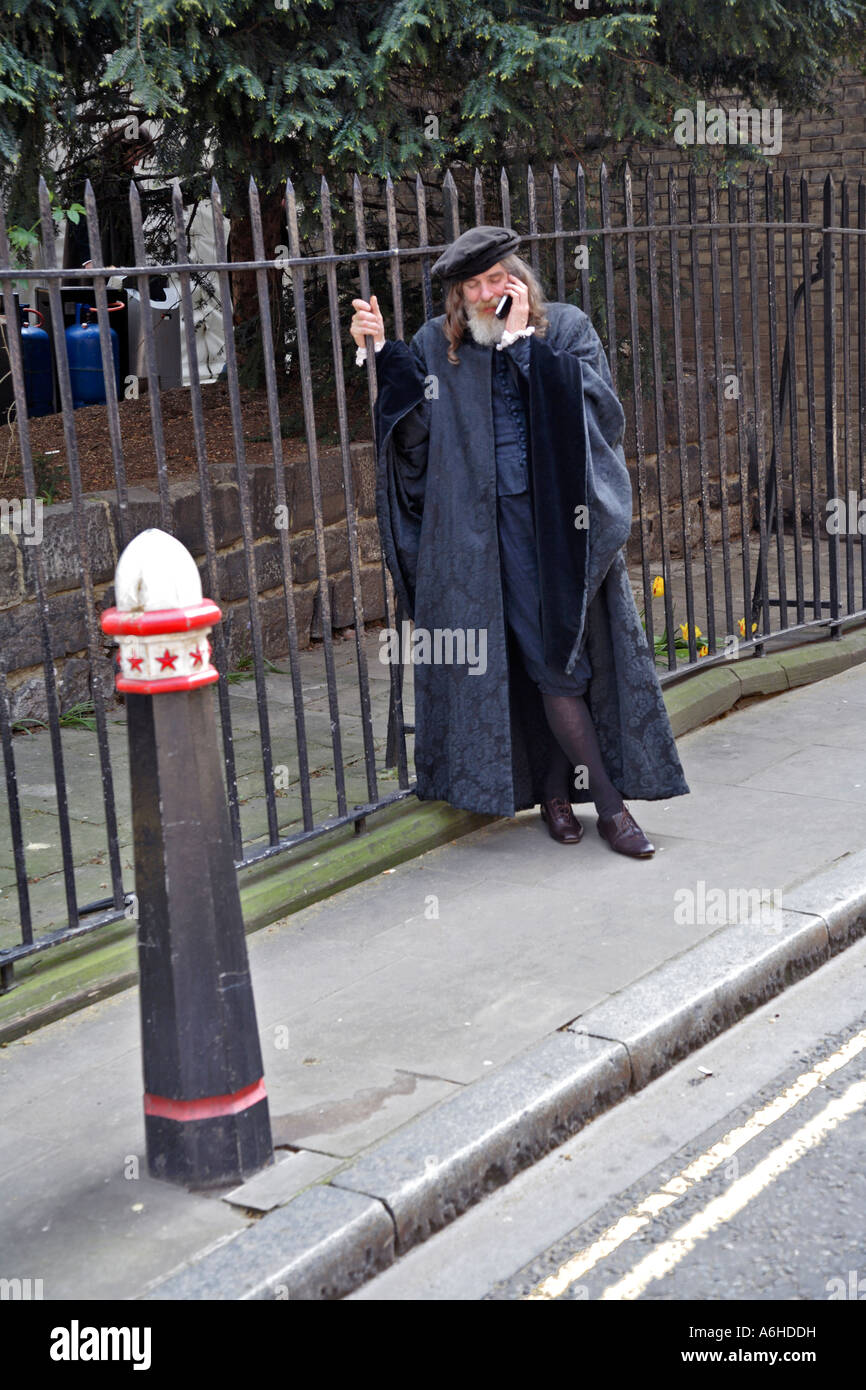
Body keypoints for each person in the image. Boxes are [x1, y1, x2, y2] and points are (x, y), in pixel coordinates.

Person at [350, 224, 689, 857]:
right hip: (480, 538)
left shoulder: (563, 329)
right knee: (537, 661)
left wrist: (523, 345)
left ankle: (574, 796)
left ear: (516, 276)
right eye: (471, 285)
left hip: (562, 529)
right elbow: (415, 441)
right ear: (457, 294)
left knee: (562, 661)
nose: (484, 294)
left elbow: (602, 415)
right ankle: (601, 809)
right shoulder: (437, 343)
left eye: (495, 279)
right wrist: (380, 354)